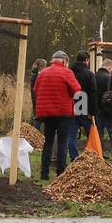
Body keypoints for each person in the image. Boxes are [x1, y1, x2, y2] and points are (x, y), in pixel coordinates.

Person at [34, 51, 79, 179]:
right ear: (64, 61)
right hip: (64, 112)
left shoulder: (42, 73)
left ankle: (44, 173)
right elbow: (77, 89)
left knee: (48, 142)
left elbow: (36, 89)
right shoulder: (67, 72)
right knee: (62, 141)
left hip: (47, 113)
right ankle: (60, 172)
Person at [68, 51, 98, 162]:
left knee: (72, 134)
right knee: (91, 132)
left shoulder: (69, 72)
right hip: (85, 106)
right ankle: (93, 154)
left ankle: (73, 156)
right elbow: (93, 93)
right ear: (86, 60)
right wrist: (93, 111)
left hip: (71, 106)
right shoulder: (89, 74)